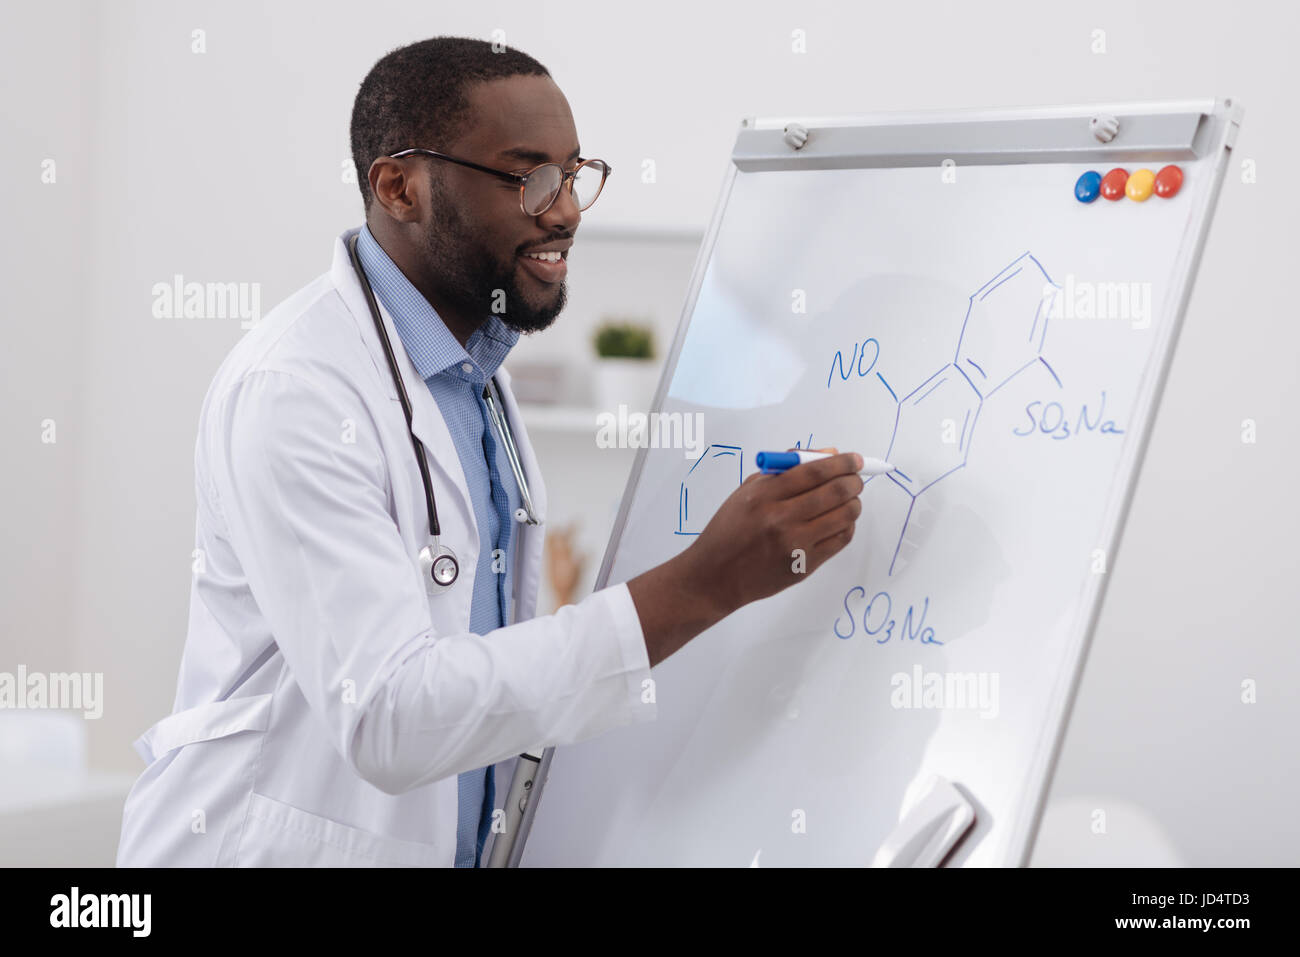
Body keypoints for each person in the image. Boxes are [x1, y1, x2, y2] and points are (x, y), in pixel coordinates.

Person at [116, 36, 863, 868]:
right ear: (399, 186)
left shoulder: (472, 376)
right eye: (528, 176)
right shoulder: (297, 390)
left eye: (575, 174)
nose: (567, 210)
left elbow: (479, 673)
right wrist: (702, 582)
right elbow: (389, 716)